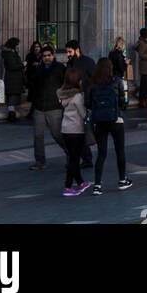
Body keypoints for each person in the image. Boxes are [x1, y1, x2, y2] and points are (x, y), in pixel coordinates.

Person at [90, 56, 132, 194]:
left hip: (99, 121)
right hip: (116, 119)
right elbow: (124, 101)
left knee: (101, 154)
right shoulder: (117, 81)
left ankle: (97, 184)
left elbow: (89, 103)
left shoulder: (93, 84)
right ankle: (122, 179)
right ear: (111, 68)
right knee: (120, 151)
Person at [28, 43, 67, 170]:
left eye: (49, 55)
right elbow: (33, 83)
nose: (46, 58)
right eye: (44, 56)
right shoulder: (39, 69)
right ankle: (40, 161)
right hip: (40, 107)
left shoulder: (60, 67)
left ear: (53, 55)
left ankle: (72, 155)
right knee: (37, 135)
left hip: (54, 106)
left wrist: (62, 98)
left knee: (57, 135)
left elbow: (66, 84)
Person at [58, 68, 91, 197]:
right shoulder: (77, 96)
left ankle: (81, 182)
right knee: (74, 159)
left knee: (73, 157)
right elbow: (83, 113)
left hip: (65, 129)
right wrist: (89, 114)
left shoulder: (63, 95)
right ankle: (68, 186)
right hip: (76, 129)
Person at [65, 39, 95, 167]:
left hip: (84, 99)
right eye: (66, 52)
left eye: (70, 51)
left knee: (81, 130)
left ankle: (85, 157)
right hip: (73, 99)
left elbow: (94, 80)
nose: (68, 54)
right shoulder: (70, 63)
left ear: (77, 50)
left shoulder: (87, 62)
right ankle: (83, 157)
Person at [1, 38, 25, 122]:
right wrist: (23, 64)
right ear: (14, 45)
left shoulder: (11, 53)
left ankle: (12, 114)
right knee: (12, 98)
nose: (19, 46)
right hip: (12, 79)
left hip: (14, 79)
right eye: (18, 44)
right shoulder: (9, 54)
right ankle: (11, 115)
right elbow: (12, 66)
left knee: (13, 98)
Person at [109, 36, 129, 110]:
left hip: (111, 76)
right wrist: (126, 63)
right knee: (121, 94)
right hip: (118, 76)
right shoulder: (120, 54)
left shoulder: (111, 53)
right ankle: (122, 107)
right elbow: (121, 68)